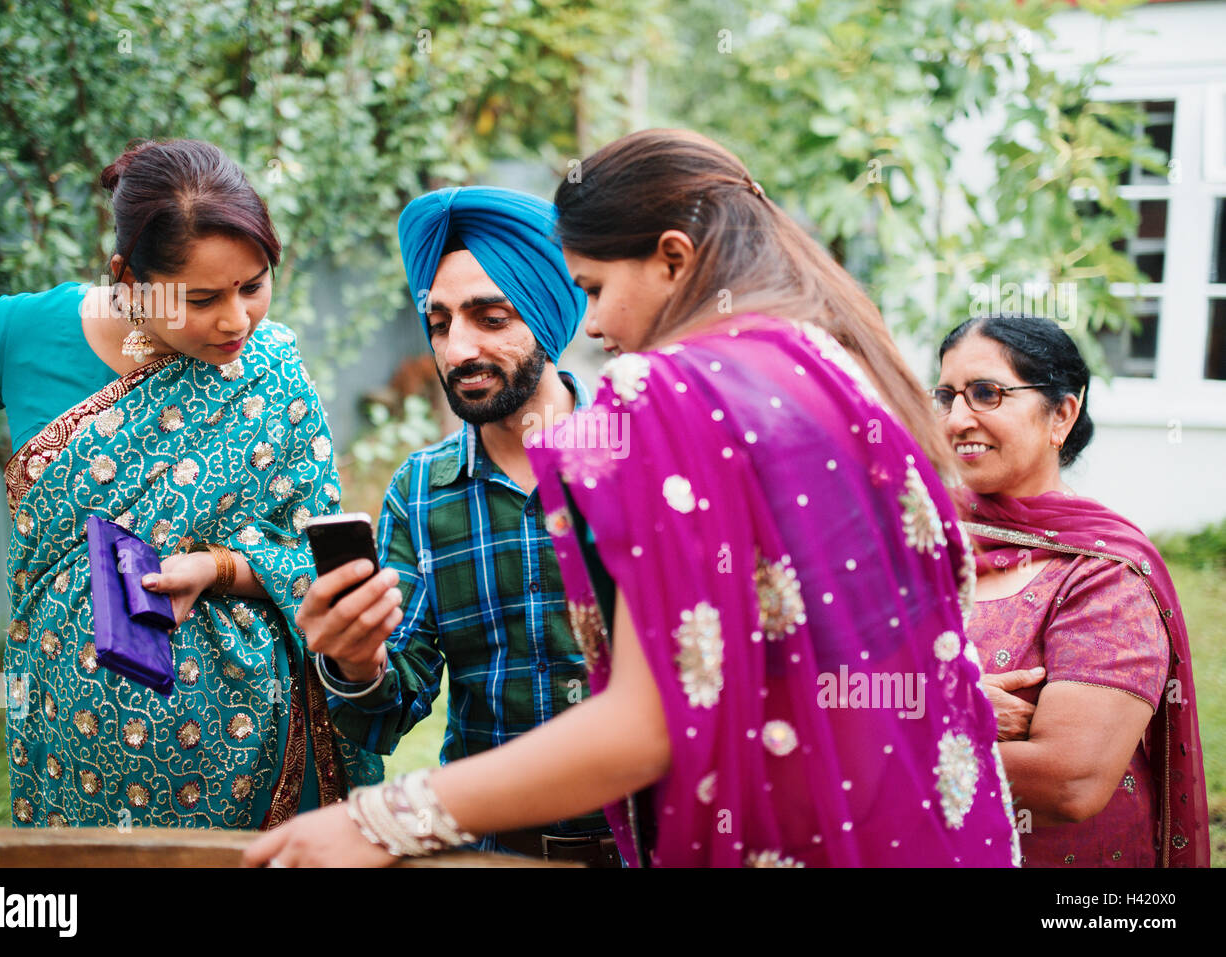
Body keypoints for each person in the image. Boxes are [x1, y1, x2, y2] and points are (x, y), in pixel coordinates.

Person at [245, 129, 1018, 868]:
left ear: (674, 260)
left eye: (594, 288)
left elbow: (650, 726)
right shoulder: (834, 366)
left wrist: (381, 818)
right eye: (438, 321)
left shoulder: (662, 397)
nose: (600, 323)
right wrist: (354, 657)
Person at [0, 139, 379, 828]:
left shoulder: (273, 371)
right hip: (73, 755)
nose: (236, 320)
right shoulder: (16, 336)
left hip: (257, 762)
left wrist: (217, 566)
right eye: (200, 298)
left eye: (253, 285)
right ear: (128, 276)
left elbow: (312, 562)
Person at [299, 186, 619, 865]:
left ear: (549, 314)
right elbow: (387, 713)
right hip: (490, 851)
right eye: (439, 323)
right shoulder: (420, 493)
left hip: (646, 846)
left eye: (491, 317)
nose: (457, 348)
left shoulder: (641, 462)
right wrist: (356, 659)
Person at [934, 313, 1209, 866]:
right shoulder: (921, 543)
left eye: (986, 393)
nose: (959, 418)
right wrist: (950, 710)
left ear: (1061, 412)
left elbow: (1070, 783)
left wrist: (886, 738)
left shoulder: (1103, 576)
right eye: (946, 396)